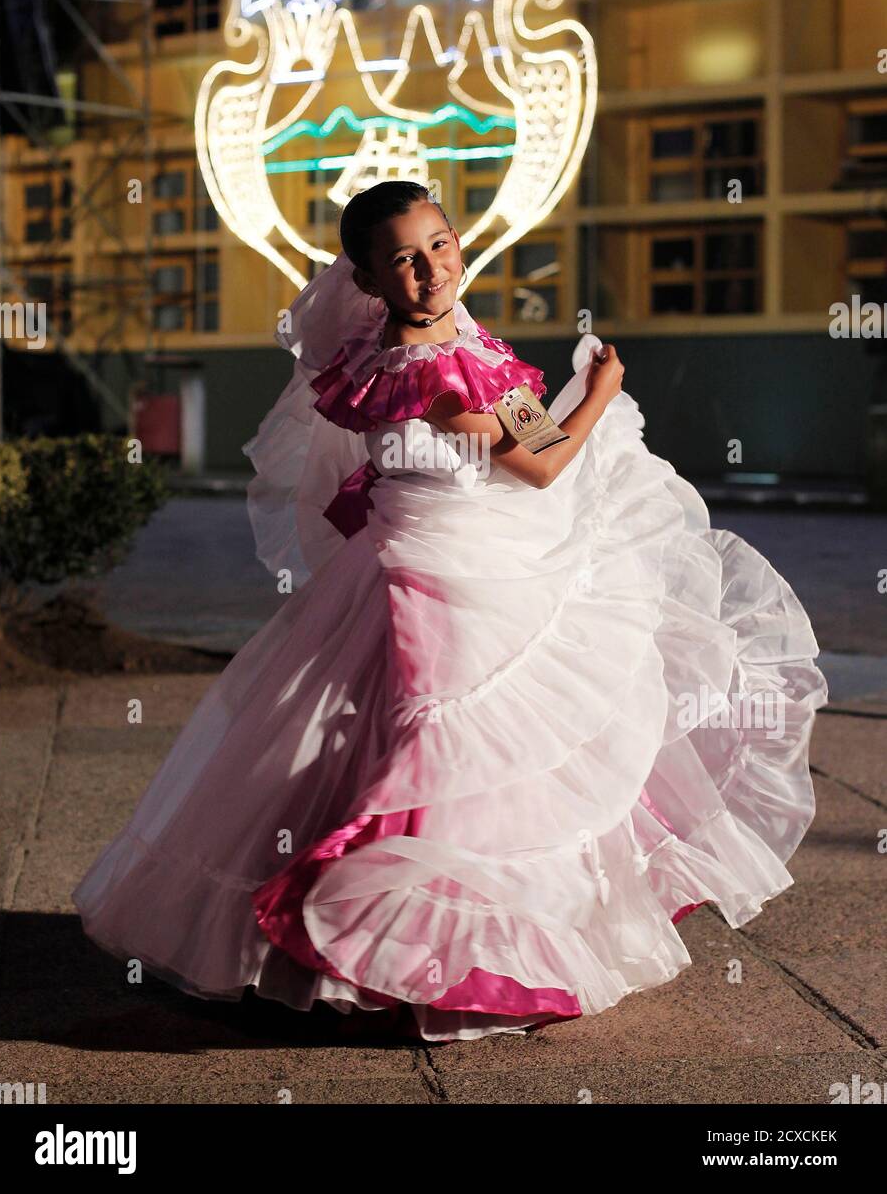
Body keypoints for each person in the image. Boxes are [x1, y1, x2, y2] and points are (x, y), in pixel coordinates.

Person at [72, 180, 828, 1043]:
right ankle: (411, 949)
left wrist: (560, 410)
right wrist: (603, 393)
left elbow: (485, 444)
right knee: (457, 748)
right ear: (370, 277)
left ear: (457, 241)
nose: (431, 270)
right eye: (404, 259)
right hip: (443, 577)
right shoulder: (429, 366)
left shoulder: (415, 348)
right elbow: (539, 463)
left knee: (422, 746)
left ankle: (417, 940)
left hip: (446, 556)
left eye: (438, 245)